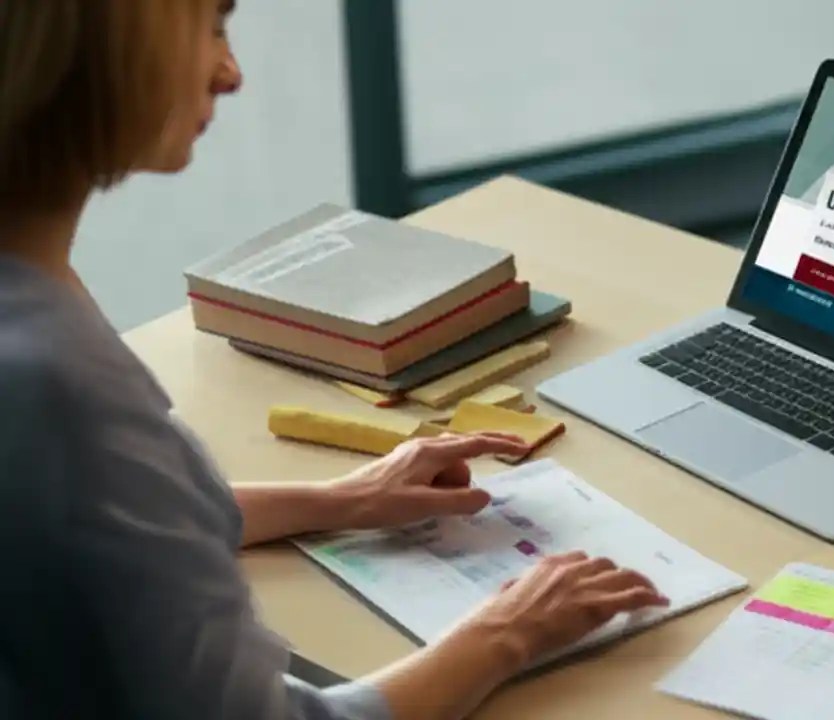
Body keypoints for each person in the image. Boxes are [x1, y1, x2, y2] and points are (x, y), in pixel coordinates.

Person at [0, 2, 667, 719]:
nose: (232, 74)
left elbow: (93, 526)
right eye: (212, 27)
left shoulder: (30, 297)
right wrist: (506, 633)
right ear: (106, 48)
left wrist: (341, 501)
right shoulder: (59, 394)